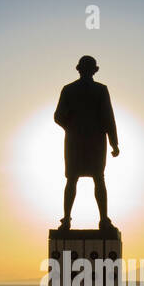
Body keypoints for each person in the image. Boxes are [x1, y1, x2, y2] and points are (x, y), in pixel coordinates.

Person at [53, 55, 119, 231]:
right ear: (93, 70)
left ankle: (69, 219)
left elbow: (59, 117)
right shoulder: (98, 90)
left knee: (77, 179)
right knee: (90, 179)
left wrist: (73, 127)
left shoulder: (70, 90)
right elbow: (108, 119)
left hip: (80, 141)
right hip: (91, 141)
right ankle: (98, 220)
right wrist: (113, 142)